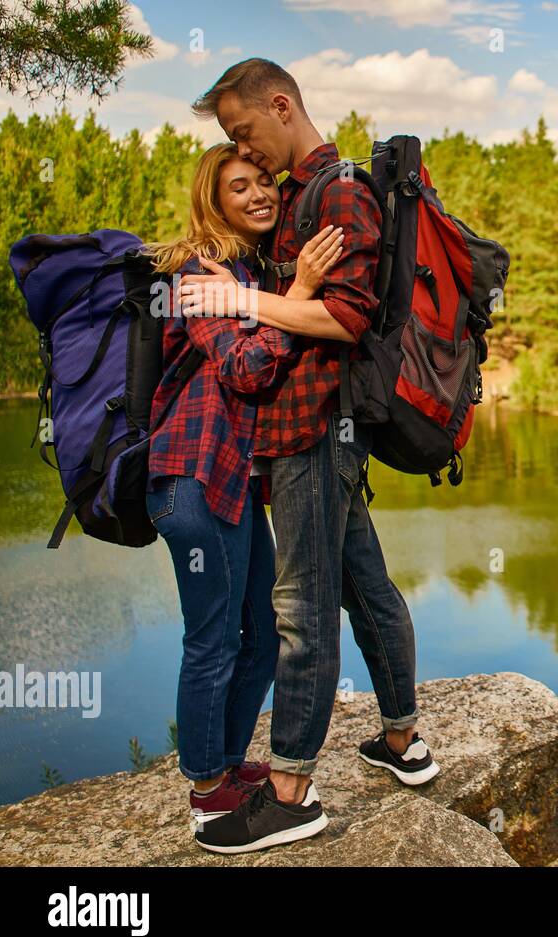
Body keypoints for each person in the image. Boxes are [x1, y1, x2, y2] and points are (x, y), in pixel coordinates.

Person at [177, 58, 439, 855]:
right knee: (366, 584)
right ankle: (404, 745)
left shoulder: (338, 189)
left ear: (282, 106)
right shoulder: (298, 196)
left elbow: (349, 318)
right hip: (313, 431)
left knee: (302, 609)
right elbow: (298, 306)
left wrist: (243, 298)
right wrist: (272, 286)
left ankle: (290, 791)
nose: (243, 150)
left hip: (313, 431)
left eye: (244, 131)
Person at [145, 142, 345, 828]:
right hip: (194, 478)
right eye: (239, 187)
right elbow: (245, 368)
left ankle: (228, 762)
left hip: (229, 481)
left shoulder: (242, 272)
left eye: (264, 180)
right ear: (214, 200)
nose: (260, 193)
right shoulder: (200, 271)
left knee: (262, 629)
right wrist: (298, 297)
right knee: (214, 638)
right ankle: (207, 792)